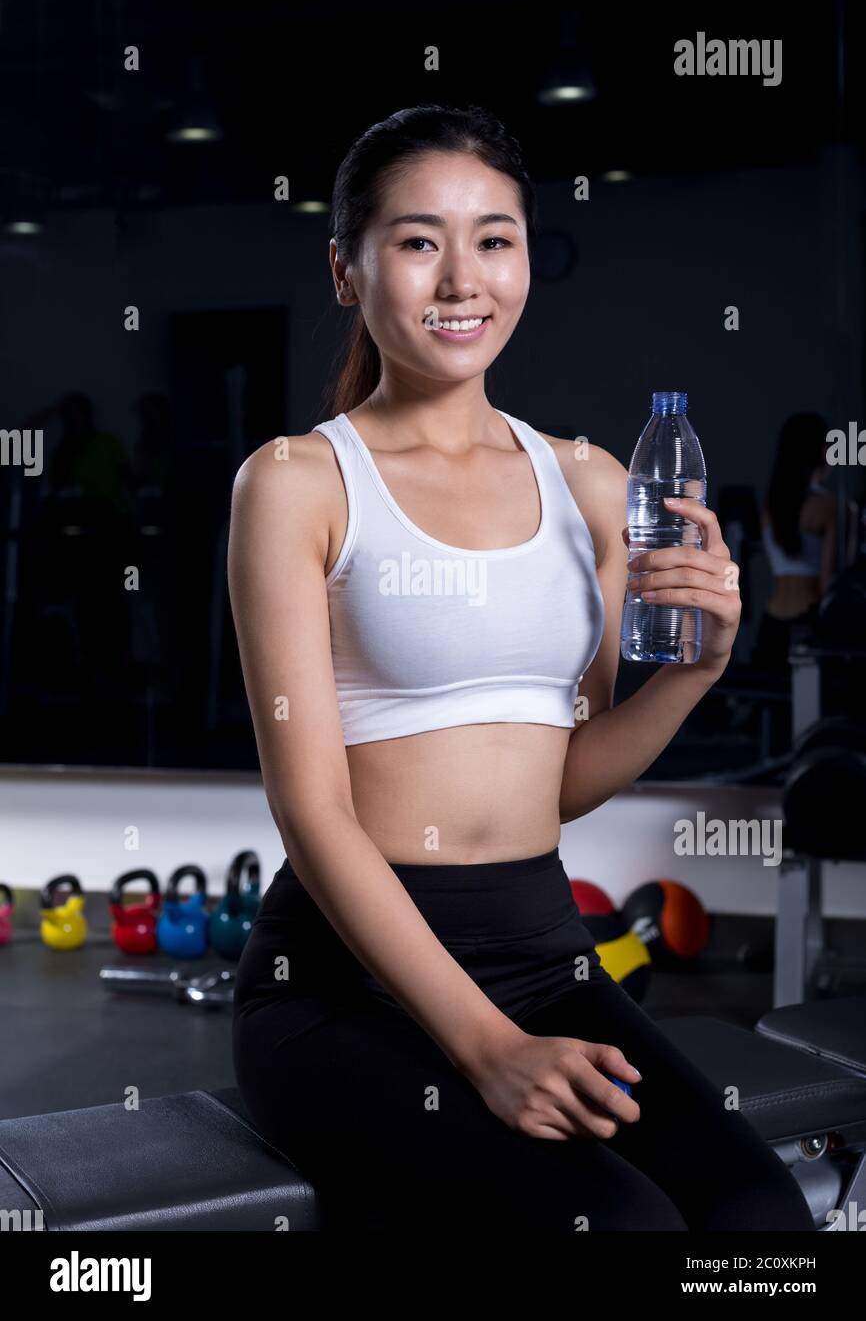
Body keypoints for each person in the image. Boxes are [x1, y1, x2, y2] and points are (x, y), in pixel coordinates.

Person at [228, 103, 815, 1233]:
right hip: (342, 986)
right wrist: (487, 1048)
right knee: (621, 1225)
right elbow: (310, 810)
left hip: (547, 958)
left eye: (493, 238)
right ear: (347, 270)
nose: (461, 279)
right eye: (416, 241)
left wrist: (694, 672)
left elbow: (559, 780)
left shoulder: (590, 485)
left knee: (760, 1222)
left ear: (528, 258)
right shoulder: (296, 482)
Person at [755, 412, 856, 675]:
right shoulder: (832, 506)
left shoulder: (771, 505)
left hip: (771, 622)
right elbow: (829, 581)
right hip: (808, 623)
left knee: (770, 707)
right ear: (822, 450)